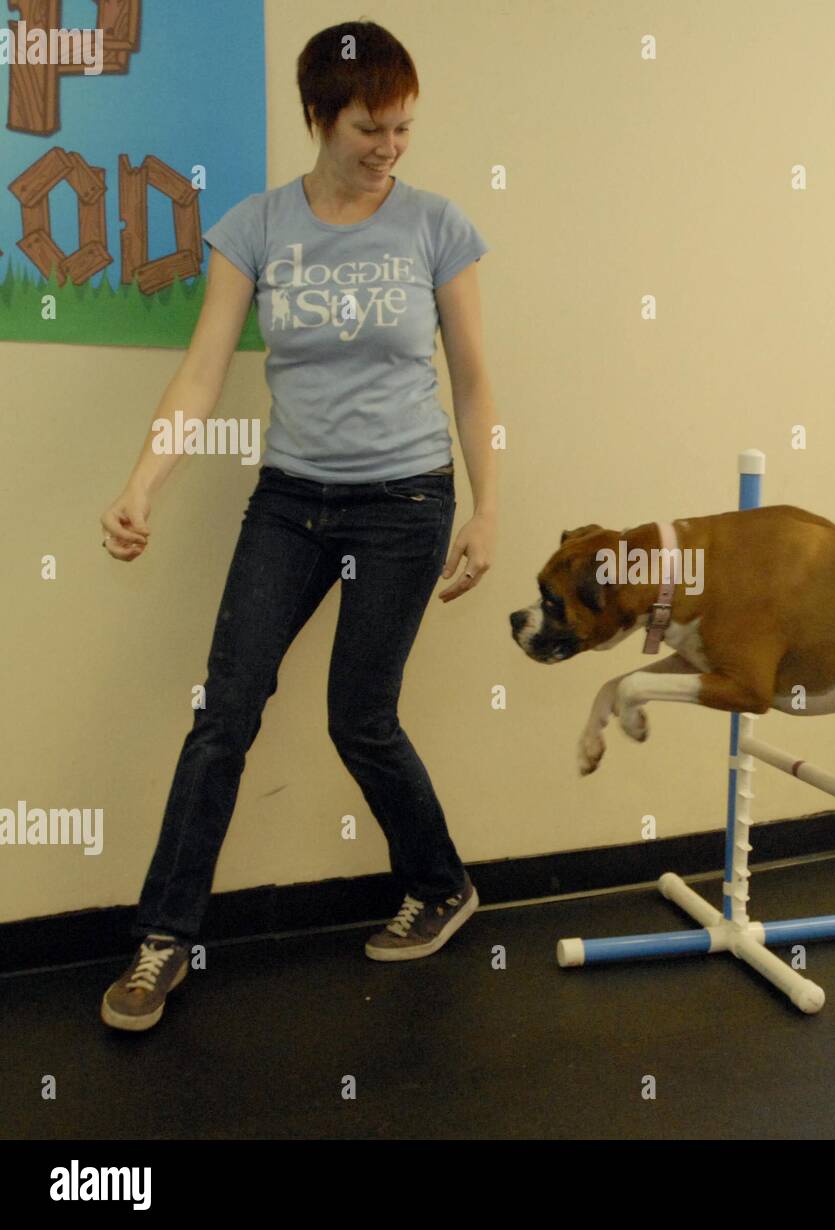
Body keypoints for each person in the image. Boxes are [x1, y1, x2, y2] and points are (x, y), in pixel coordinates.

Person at [97, 21, 496, 1031]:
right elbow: (198, 374)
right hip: (292, 498)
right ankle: (164, 940)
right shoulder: (256, 228)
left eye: (403, 128)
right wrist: (144, 481)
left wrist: (488, 509)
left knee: (358, 716)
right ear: (320, 114)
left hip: (407, 499)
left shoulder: (437, 226)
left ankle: (440, 881)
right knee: (223, 711)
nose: (390, 148)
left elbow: (477, 383)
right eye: (371, 127)